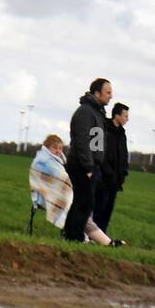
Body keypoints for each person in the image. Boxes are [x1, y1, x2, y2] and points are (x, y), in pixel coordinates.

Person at [43, 135, 124, 246]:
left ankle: (93, 239)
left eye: (60, 148)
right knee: (84, 211)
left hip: (67, 194)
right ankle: (107, 242)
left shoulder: (60, 160)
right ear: (47, 148)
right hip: (58, 197)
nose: (58, 151)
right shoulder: (46, 161)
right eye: (54, 148)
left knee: (86, 211)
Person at [62, 78, 111, 242]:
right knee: (83, 203)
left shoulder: (97, 112)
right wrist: (89, 167)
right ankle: (74, 237)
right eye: (108, 92)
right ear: (97, 93)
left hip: (92, 166)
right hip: (82, 166)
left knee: (83, 203)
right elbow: (82, 141)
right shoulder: (85, 112)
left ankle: (70, 235)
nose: (111, 96)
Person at [93, 102, 129, 236]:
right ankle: (93, 236)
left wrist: (123, 174)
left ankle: (102, 236)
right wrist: (108, 173)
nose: (127, 119)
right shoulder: (104, 129)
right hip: (104, 179)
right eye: (125, 115)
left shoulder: (122, 134)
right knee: (98, 209)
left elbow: (124, 155)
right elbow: (102, 155)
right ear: (117, 115)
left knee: (108, 211)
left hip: (116, 182)